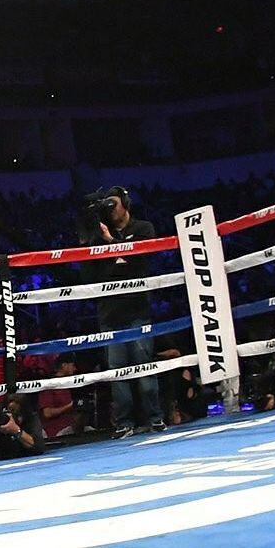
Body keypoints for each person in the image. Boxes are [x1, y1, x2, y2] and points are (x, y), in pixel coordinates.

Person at [80, 186, 164, 436]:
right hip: (110, 313)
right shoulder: (98, 235)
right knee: (118, 373)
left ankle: (154, 417)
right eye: (106, 205)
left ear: (126, 204)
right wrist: (88, 242)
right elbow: (89, 278)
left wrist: (111, 243)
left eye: (113, 204)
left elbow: (141, 262)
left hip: (137, 309)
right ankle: (125, 422)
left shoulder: (143, 228)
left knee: (144, 366)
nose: (110, 209)